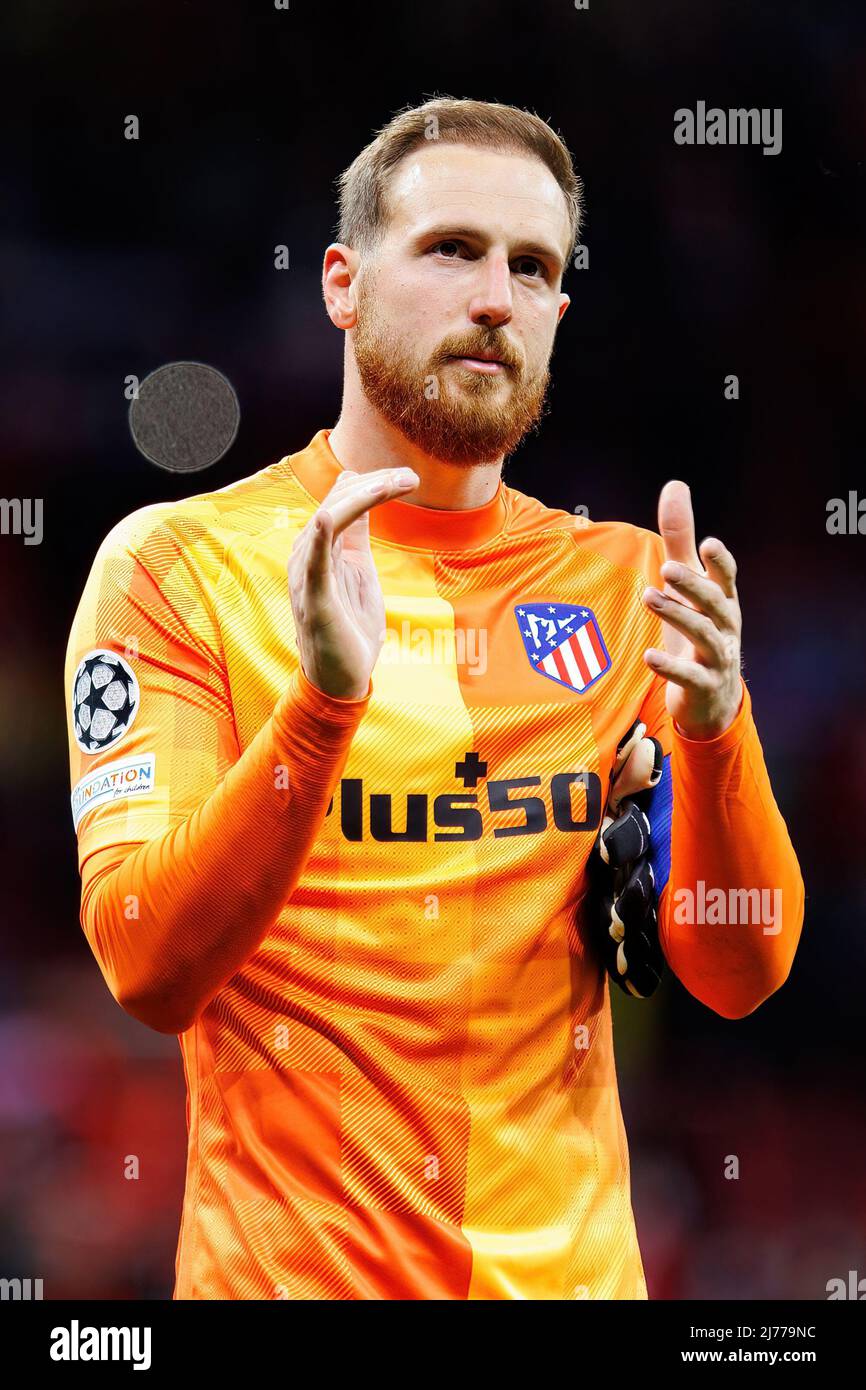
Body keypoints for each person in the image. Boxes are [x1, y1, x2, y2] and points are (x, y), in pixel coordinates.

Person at [64, 96, 804, 1300]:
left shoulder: (629, 586)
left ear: (557, 315)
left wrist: (717, 737)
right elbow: (147, 967)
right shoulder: (178, 568)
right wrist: (321, 707)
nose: (494, 298)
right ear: (342, 285)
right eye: (451, 249)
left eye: (532, 267)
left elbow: (739, 972)